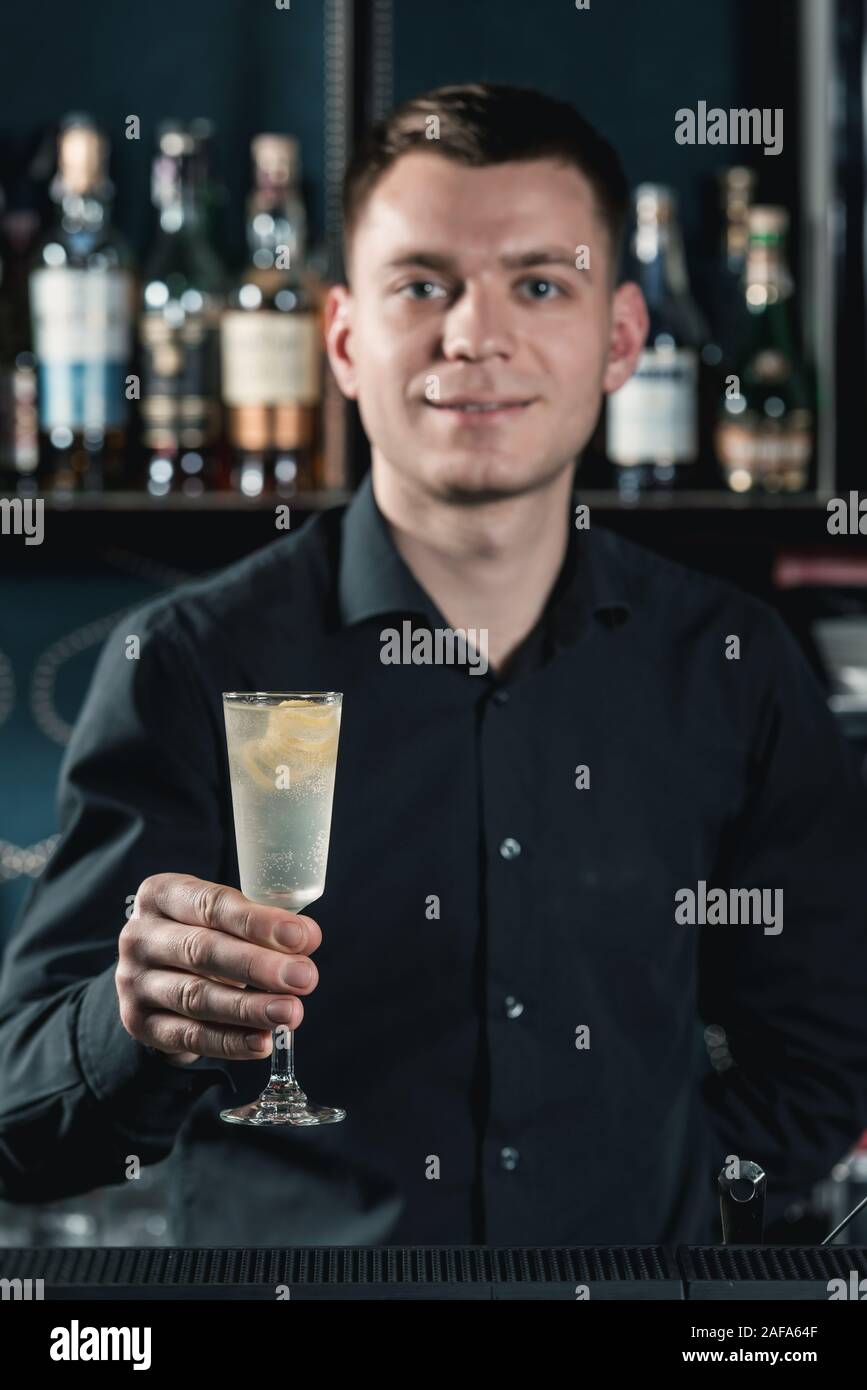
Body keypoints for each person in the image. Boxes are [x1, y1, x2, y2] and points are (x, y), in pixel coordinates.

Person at [1, 83, 865, 1249]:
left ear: (620, 338)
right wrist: (131, 1025)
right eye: (423, 285)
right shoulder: (189, 664)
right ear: (345, 338)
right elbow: (20, 1130)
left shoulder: (729, 664)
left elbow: (827, 1043)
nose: (474, 334)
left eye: (539, 284)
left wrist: (684, 1204)